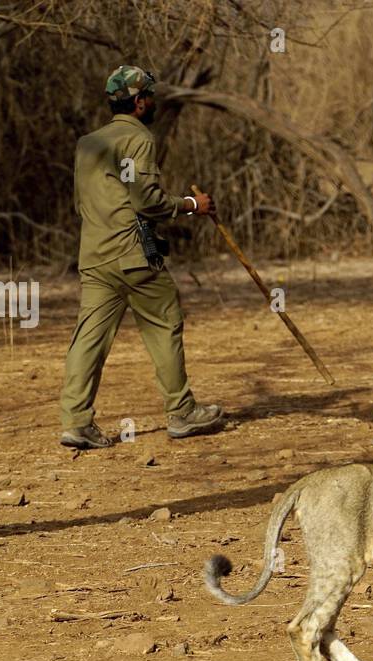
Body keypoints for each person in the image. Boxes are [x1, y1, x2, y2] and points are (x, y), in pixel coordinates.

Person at [59, 65, 224, 449]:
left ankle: (76, 422)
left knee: (89, 338)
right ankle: (181, 413)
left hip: (95, 256)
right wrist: (191, 205)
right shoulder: (139, 140)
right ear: (139, 102)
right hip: (133, 256)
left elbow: (79, 203)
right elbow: (146, 200)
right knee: (165, 322)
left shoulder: (88, 143)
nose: (154, 103)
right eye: (150, 96)